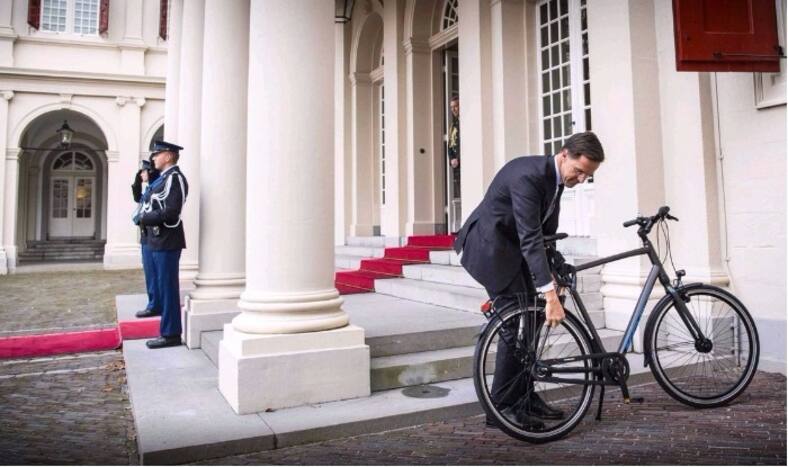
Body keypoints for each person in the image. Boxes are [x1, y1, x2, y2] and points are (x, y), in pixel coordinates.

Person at [454, 131, 604, 428]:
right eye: (579, 171)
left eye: (588, 175)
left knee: (532, 320)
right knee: (513, 322)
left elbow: (545, 234)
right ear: (564, 154)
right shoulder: (529, 176)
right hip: (490, 249)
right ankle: (502, 408)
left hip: (513, 250)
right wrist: (548, 294)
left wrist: (556, 269)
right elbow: (531, 237)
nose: (582, 179)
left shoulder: (556, 180)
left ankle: (524, 394)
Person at [136, 140, 189, 349]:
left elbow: (171, 212)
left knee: (168, 288)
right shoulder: (164, 178)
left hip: (167, 238)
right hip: (158, 238)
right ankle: (167, 330)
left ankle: (171, 334)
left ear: (168, 156)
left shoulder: (175, 178)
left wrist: (145, 218)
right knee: (161, 285)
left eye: (157, 155)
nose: (154, 158)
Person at [132, 159, 161, 319]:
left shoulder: (156, 187)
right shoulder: (149, 188)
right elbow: (138, 198)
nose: (141, 174)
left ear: (150, 172)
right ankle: (153, 302)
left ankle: (155, 304)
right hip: (146, 235)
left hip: (152, 234)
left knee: (153, 273)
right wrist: (137, 181)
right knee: (149, 272)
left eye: (143, 171)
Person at [448, 95, 461, 196]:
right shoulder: (453, 124)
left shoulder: (464, 122)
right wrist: (451, 159)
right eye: (451, 107)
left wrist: (458, 158)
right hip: (456, 165)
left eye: (456, 106)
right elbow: (450, 144)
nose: (453, 109)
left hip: (463, 162)